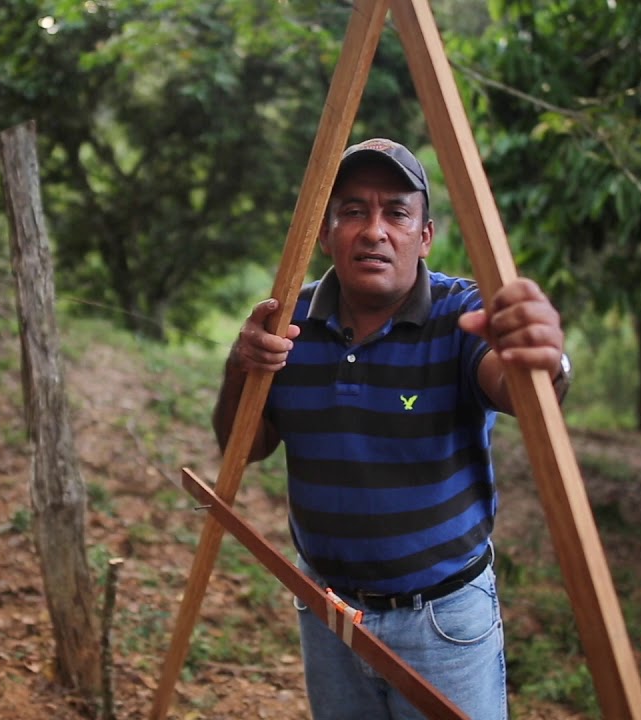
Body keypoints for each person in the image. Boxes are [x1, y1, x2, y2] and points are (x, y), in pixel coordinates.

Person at [212, 138, 571, 720]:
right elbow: (240, 447)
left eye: (396, 212)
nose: (374, 230)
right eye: (353, 211)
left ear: (424, 235)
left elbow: (524, 390)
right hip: (326, 609)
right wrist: (240, 366)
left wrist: (546, 360)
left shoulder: (462, 315)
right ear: (326, 234)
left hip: (442, 620)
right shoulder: (288, 325)